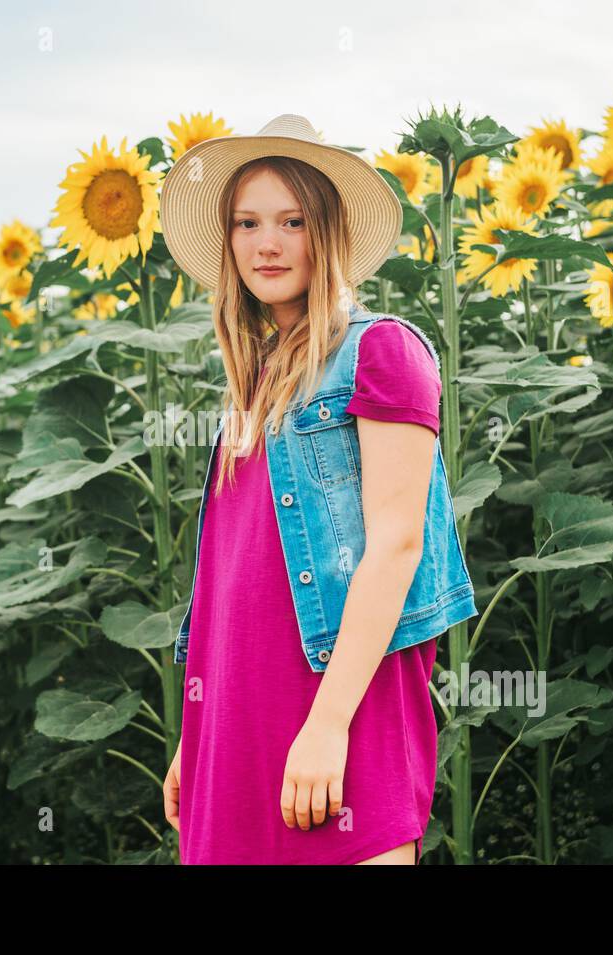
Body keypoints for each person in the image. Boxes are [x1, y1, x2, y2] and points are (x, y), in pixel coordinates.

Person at [158, 114, 478, 865]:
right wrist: (195, 736)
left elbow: (397, 547)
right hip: (239, 718)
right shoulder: (258, 380)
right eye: (247, 222)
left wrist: (330, 721)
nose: (266, 243)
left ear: (326, 233)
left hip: (342, 702)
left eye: (292, 220)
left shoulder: (380, 352)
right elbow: (231, 581)